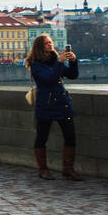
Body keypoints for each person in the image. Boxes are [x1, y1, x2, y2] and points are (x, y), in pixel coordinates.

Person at [27, 34, 81, 180]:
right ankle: (43, 169)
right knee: (42, 137)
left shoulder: (55, 60)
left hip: (62, 104)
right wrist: (60, 62)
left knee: (70, 136)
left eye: (50, 42)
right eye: (46, 44)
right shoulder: (36, 64)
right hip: (46, 105)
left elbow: (73, 75)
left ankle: (68, 169)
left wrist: (74, 61)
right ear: (40, 47)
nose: (50, 45)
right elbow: (49, 79)